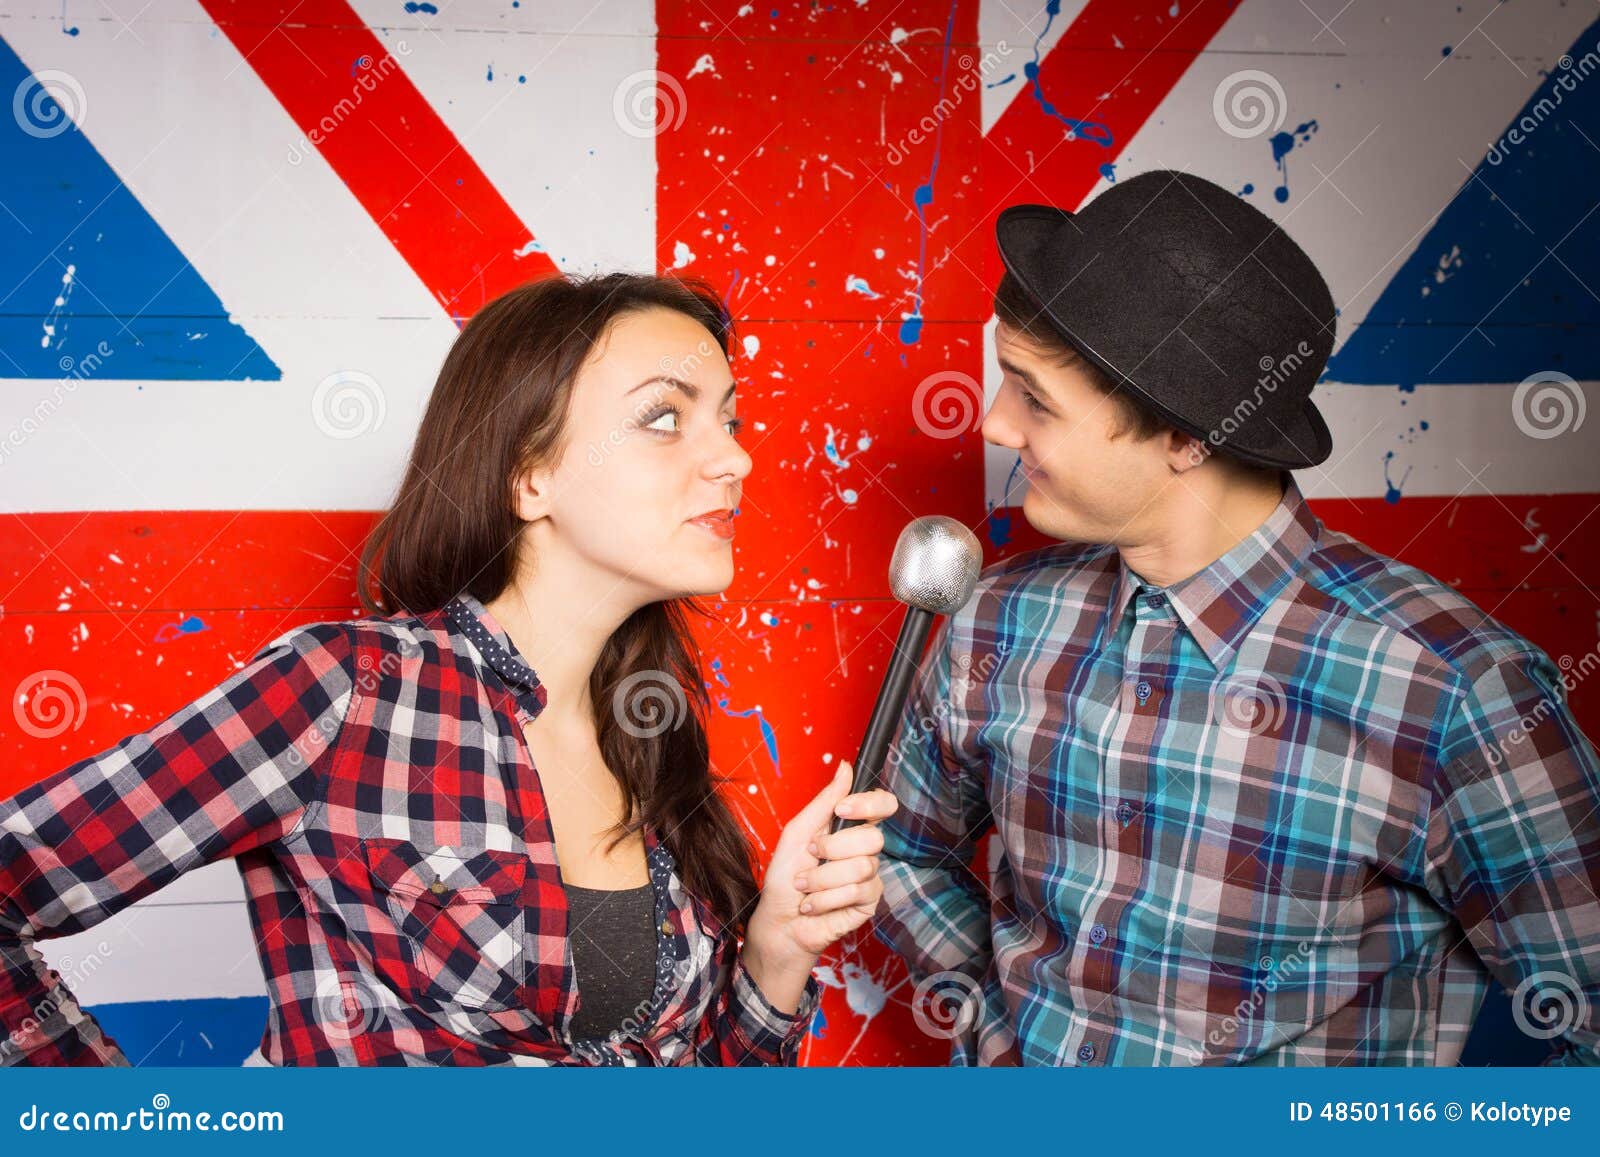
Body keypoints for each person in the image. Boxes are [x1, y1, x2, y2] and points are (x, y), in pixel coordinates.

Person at [0, 272, 896, 1067]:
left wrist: (777, 953)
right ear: (528, 476)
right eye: (665, 417)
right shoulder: (346, 693)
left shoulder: (653, 733)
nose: (736, 457)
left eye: (731, 420)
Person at [873, 170, 1600, 1066]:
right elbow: (898, 849)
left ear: (1188, 436)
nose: (993, 425)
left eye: (1035, 398)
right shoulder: (995, 621)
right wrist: (995, 1031)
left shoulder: (1453, 690)